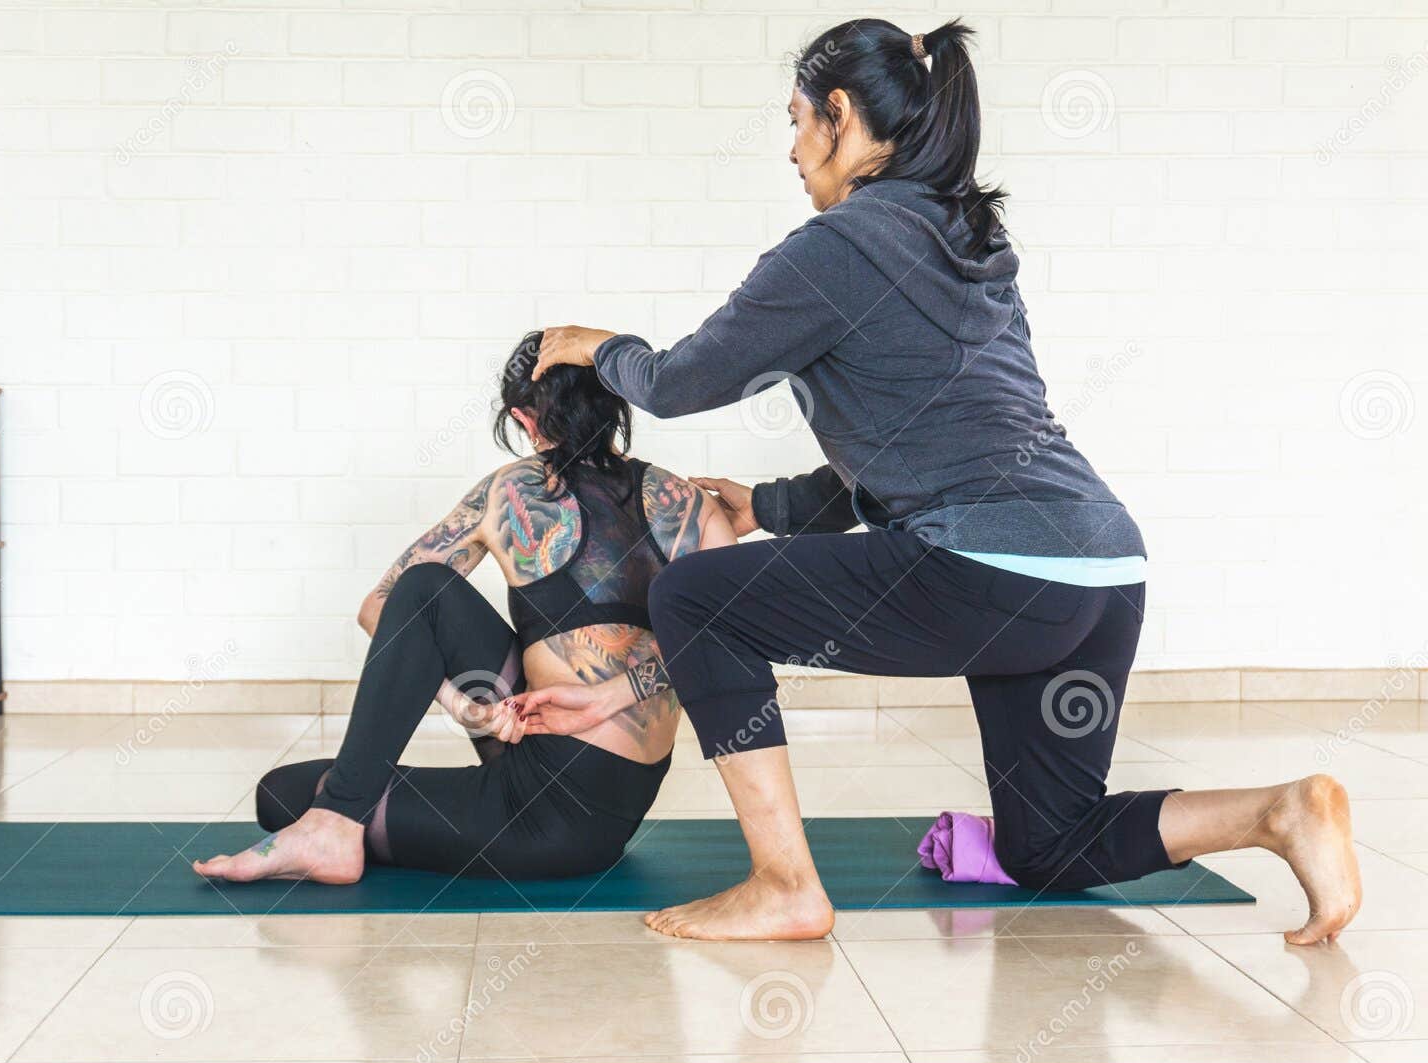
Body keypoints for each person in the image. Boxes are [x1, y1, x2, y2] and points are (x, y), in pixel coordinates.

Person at [514, 18, 1361, 944]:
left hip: (996, 570)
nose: (791, 148)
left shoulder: (835, 248)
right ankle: (1281, 811)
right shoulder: (970, 238)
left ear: (840, 115)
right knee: (1048, 844)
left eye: (796, 120)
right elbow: (940, 441)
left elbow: (679, 383)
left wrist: (604, 348)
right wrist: (776, 506)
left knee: (695, 599)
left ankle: (785, 885)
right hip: (1103, 569)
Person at [194, 331, 734, 884]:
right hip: (614, 800)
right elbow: (724, 644)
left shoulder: (509, 490)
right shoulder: (691, 504)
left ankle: (333, 824)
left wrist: (458, 706)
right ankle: (337, 817)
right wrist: (471, 709)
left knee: (281, 793)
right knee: (427, 597)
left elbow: (380, 604)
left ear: (524, 419)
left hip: (547, 822)